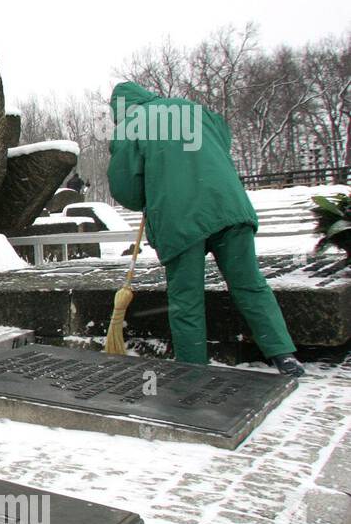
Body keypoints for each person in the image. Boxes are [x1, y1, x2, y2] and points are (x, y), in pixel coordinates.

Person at [107, 81, 304, 376]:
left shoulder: (131, 125)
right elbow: (222, 141)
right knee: (249, 283)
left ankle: (192, 367)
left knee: (186, 297)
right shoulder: (192, 109)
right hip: (228, 208)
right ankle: (283, 355)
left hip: (180, 218)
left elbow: (127, 191)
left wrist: (153, 181)